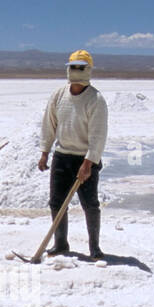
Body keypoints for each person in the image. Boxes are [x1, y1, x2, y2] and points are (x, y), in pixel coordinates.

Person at [38, 49, 109, 258]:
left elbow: (98, 136)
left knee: (90, 204)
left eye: (80, 67)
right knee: (56, 203)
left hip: (85, 159)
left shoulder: (96, 100)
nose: (75, 71)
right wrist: (44, 151)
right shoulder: (59, 95)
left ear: (88, 70)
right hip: (61, 156)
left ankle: (94, 247)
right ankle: (60, 243)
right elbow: (49, 124)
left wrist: (88, 163)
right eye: (73, 67)